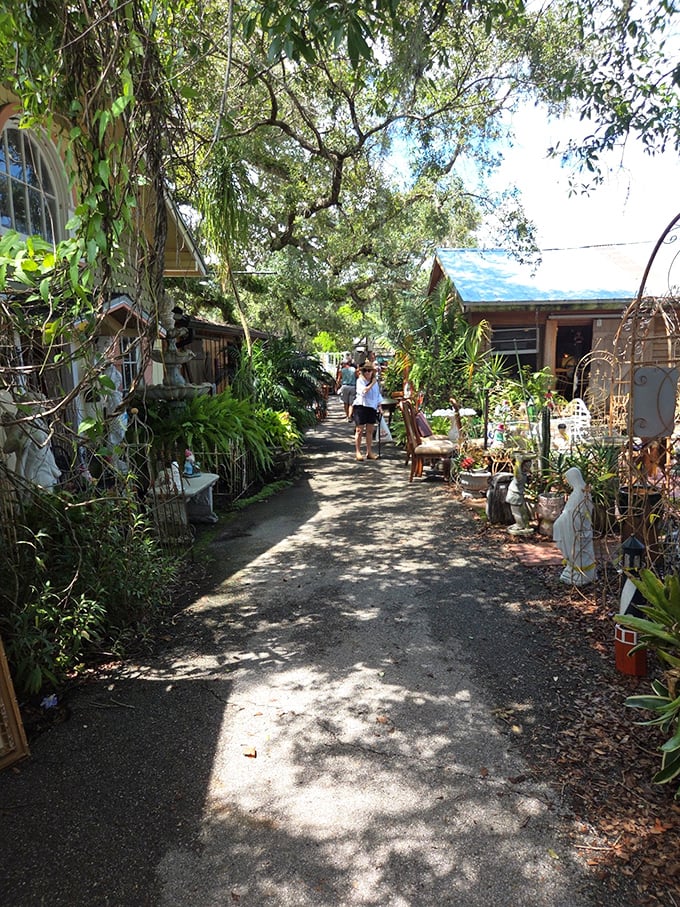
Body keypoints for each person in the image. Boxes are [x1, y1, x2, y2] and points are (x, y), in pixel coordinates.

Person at [552, 466, 597, 586]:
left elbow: (572, 513)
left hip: (576, 528)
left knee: (578, 551)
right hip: (583, 528)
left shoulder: (578, 493)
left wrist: (559, 522)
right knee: (582, 551)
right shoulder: (584, 490)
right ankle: (577, 571)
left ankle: (581, 575)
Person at [353, 360, 381, 461]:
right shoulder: (360, 381)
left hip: (372, 407)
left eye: (370, 371)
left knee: (370, 431)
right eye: (365, 370)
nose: (368, 373)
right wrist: (372, 383)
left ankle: (369, 452)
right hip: (361, 406)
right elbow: (363, 392)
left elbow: (377, 395)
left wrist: (379, 406)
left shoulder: (375, 383)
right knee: (359, 430)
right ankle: (358, 452)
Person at [336, 355, 357, 421]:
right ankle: (350, 416)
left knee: (345, 402)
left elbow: (339, 379)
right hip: (353, 387)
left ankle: (347, 415)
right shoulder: (354, 370)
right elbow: (357, 377)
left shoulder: (342, 370)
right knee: (351, 403)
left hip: (345, 387)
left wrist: (336, 386)